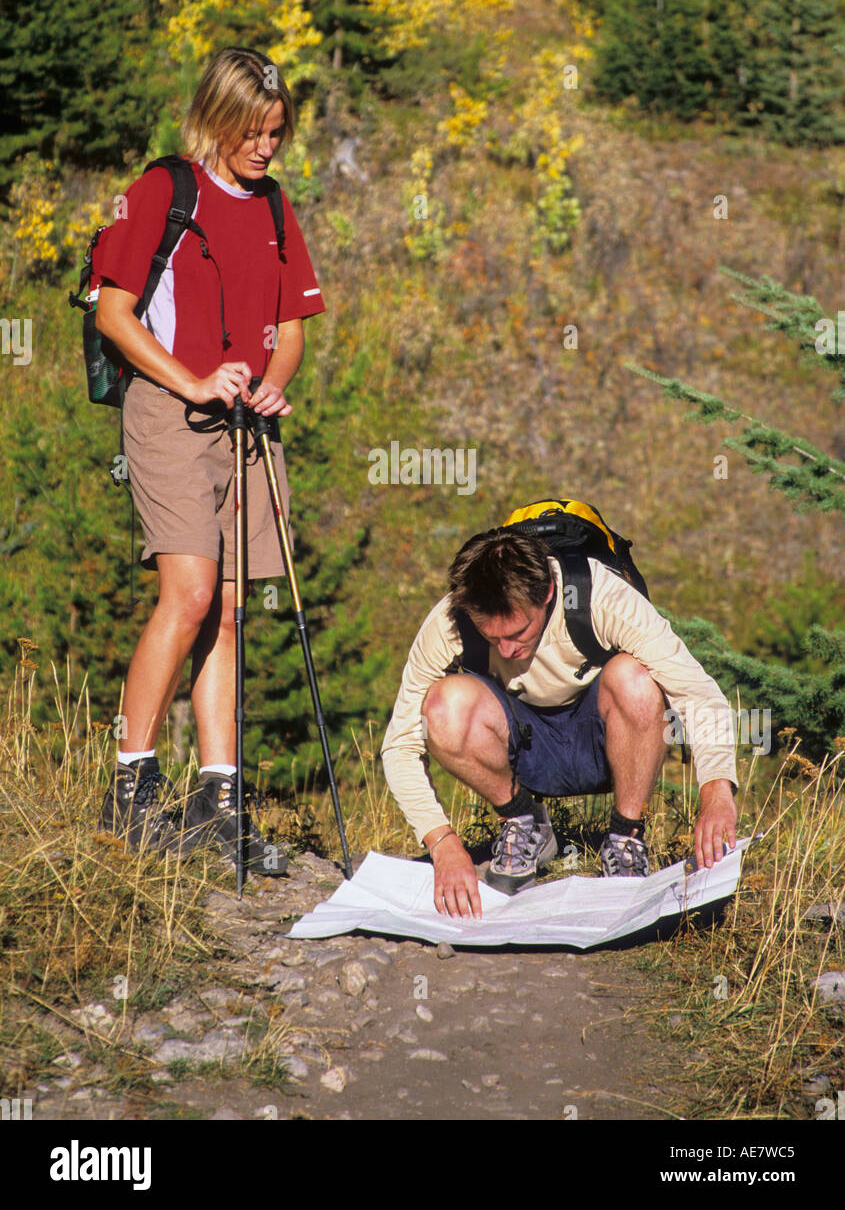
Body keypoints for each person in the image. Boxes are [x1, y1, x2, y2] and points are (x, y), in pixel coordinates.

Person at [95, 46, 325, 874]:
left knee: (230, 610)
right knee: (189, 594)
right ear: (217, 119)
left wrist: (270, 383)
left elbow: (293, 327)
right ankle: (131, 790)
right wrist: (194, 378)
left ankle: (219, 801)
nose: (266, 147)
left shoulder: (272, 207)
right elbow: (116, 316)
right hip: (167, 413)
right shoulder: (163, 190)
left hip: (246, 426)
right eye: (254, 131)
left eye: (277, 132)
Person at [381, 526, 738, 918]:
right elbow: (400, 743)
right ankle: (524, 820)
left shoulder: (602, 597)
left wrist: (716, 791)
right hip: (522, 744)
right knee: (442, 706)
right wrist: (443, 843)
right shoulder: (451, 620)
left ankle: (625, 838)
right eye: (491, 636)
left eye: (518, 632)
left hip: (607, 742)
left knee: (635, 679)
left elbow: (698, 694)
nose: (507, 650)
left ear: (548, 592)